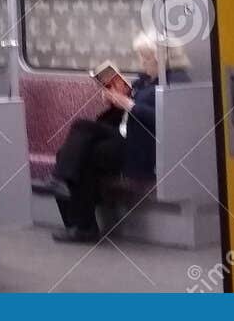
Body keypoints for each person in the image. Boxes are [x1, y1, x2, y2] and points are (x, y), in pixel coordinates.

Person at [48, 33, 190, 243]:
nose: (141, 62)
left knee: (77, 151)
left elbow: (168, 119)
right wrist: (118, 98)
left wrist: (129, 104)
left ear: (162, 58)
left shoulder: (177, 82)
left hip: (144, 145)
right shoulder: (144, 79)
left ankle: (74, 207)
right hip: (125, 135)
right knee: (79, 148)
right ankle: (80, 221)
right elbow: (130, 109)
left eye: (146, 57)